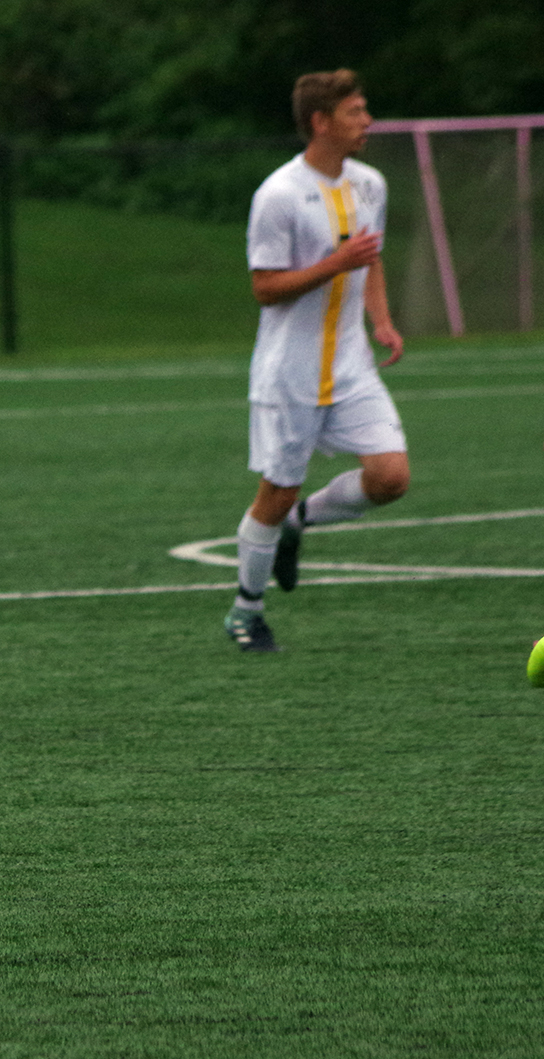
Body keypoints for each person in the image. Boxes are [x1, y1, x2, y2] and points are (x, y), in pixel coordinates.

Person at [224, 69, 407, 652]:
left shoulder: (370, 184)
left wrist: (381, 321)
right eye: (355, 112)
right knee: (274, 494)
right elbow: (265, 288)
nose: (367, 121)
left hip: (351, 366)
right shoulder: (278, 194)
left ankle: (297, 525)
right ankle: (245, 612)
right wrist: (335, 263)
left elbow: (370, 259)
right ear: (321, 122)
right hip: (290, 373)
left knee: (391, 477)